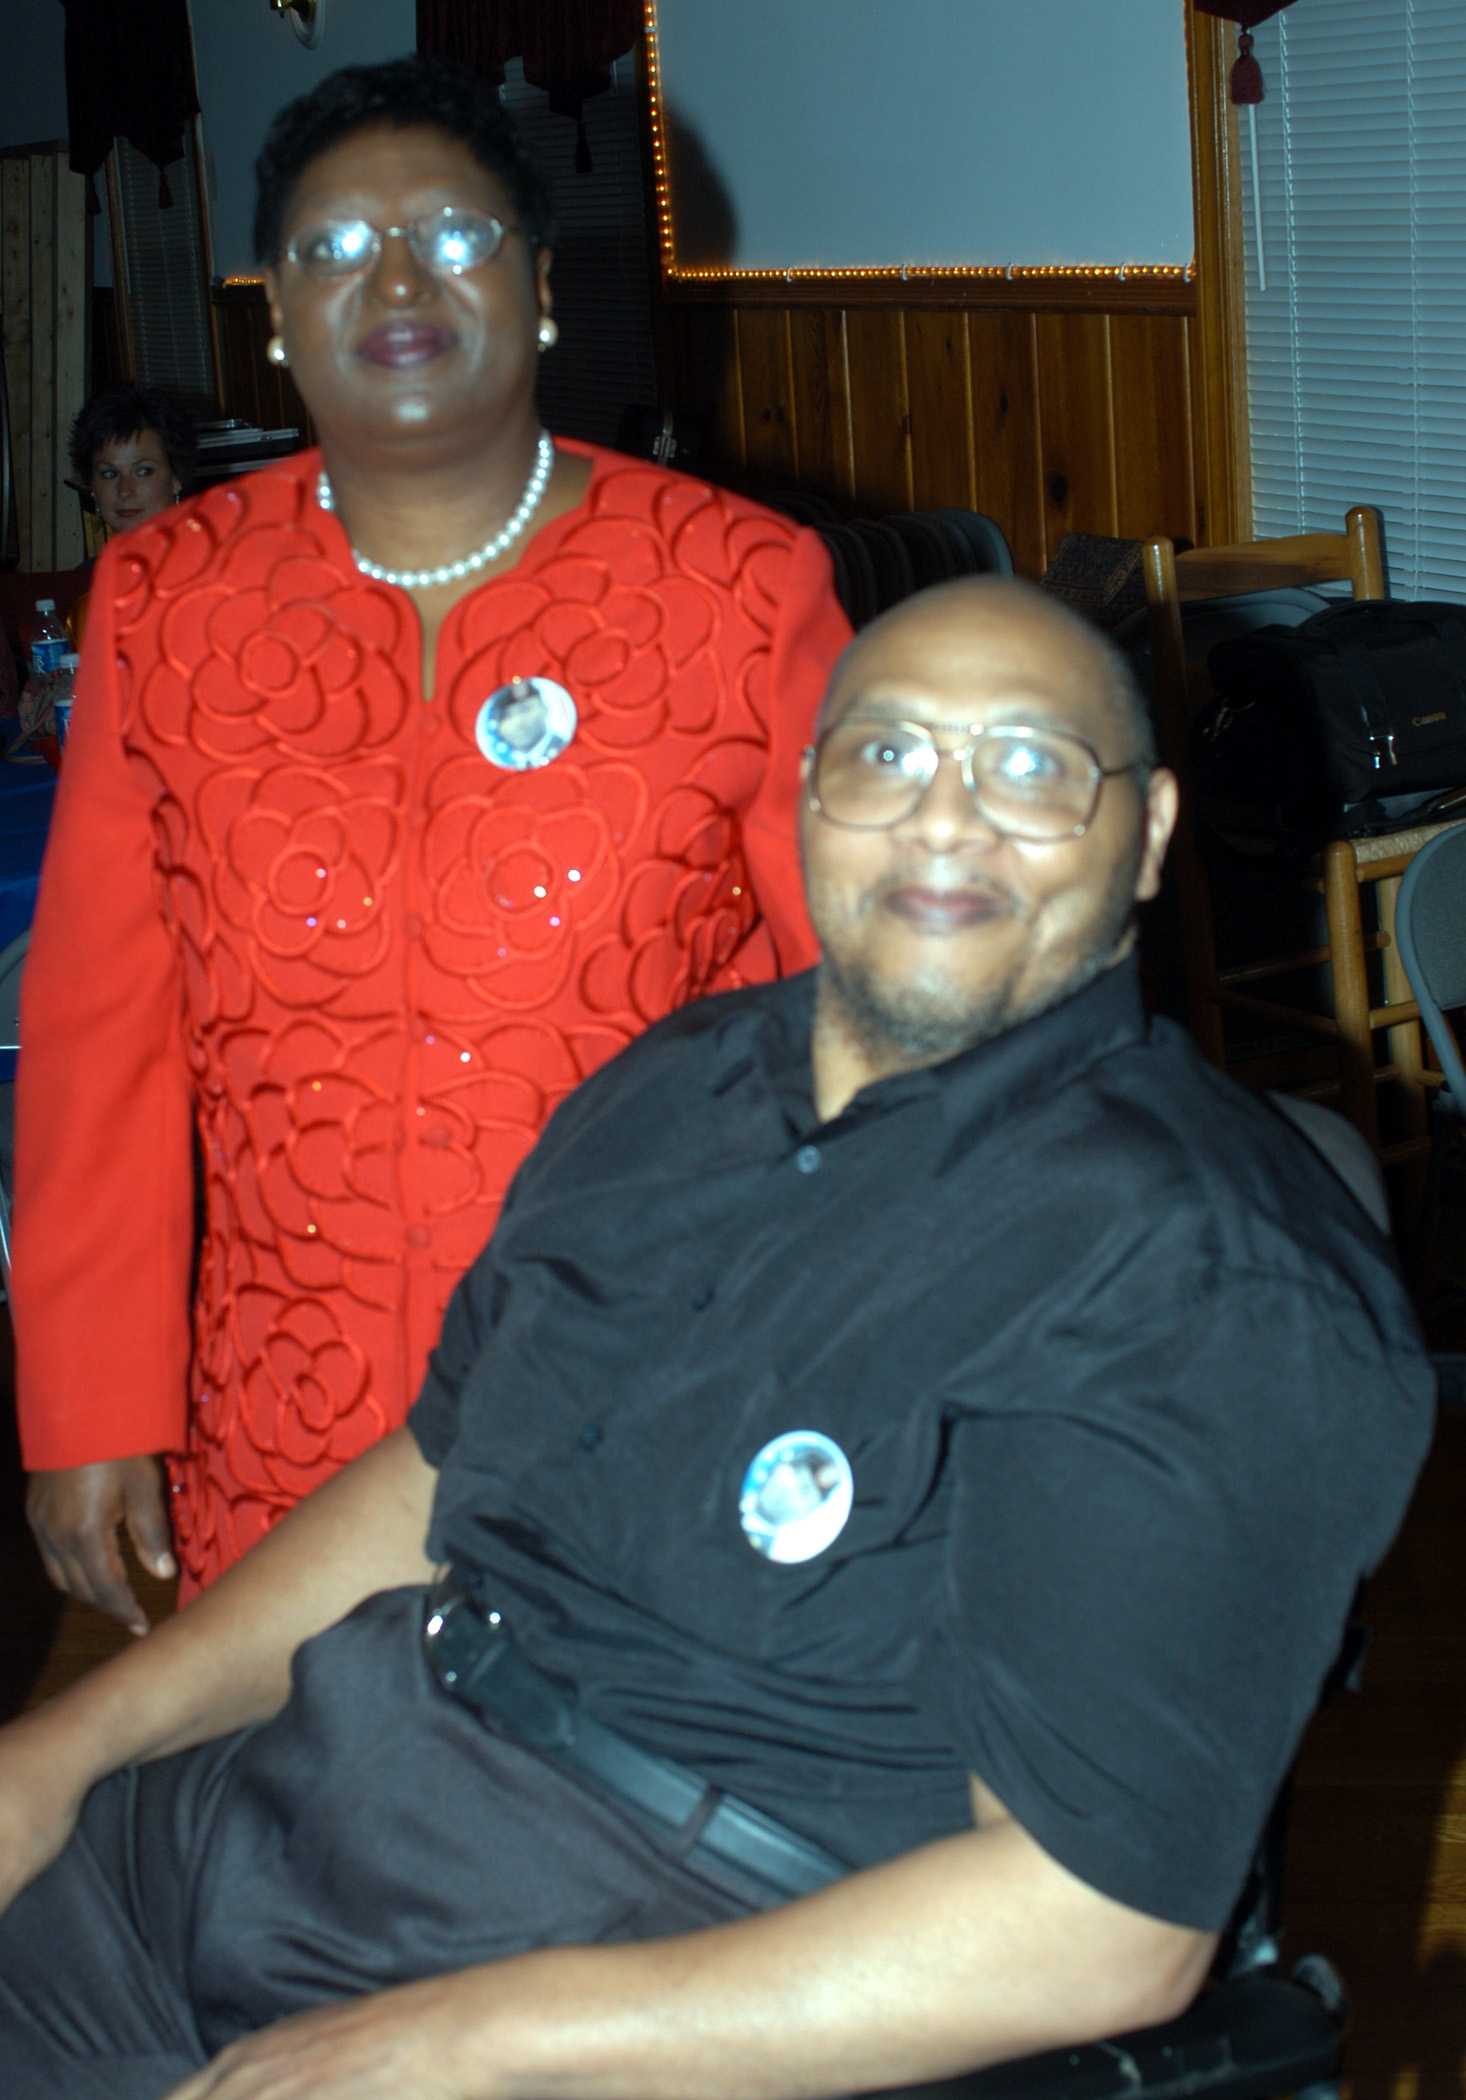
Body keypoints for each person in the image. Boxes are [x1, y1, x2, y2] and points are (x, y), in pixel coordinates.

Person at [0, 577, 1433, 2100]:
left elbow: (1094, 1931)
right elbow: (431, 1478)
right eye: (883, 756)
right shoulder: (670, 1084)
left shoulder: (1197, 1269)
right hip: (293, 1800)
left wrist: (465, 2040)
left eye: (1027, 767)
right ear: (809, 797)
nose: (942, 819)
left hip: (655, 1946)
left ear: (1143, 837)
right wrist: (64, 1751)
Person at [14, 56, 849, 1631]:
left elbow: (864, 1013)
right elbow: (98, 1030)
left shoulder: (739, 585)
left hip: (647, 1395)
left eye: (455, 237)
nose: (392, 279)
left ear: (537, 287)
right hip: (284, 1423)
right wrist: (88, 1401)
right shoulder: (165, 600)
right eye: (329, 249)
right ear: (273, 312)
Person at [69, 383, 196, 545]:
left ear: (176, 478)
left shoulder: (216, 567)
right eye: (110, 474)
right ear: (92, 485)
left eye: (143, 472)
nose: (124, 491)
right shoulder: (88, 571)